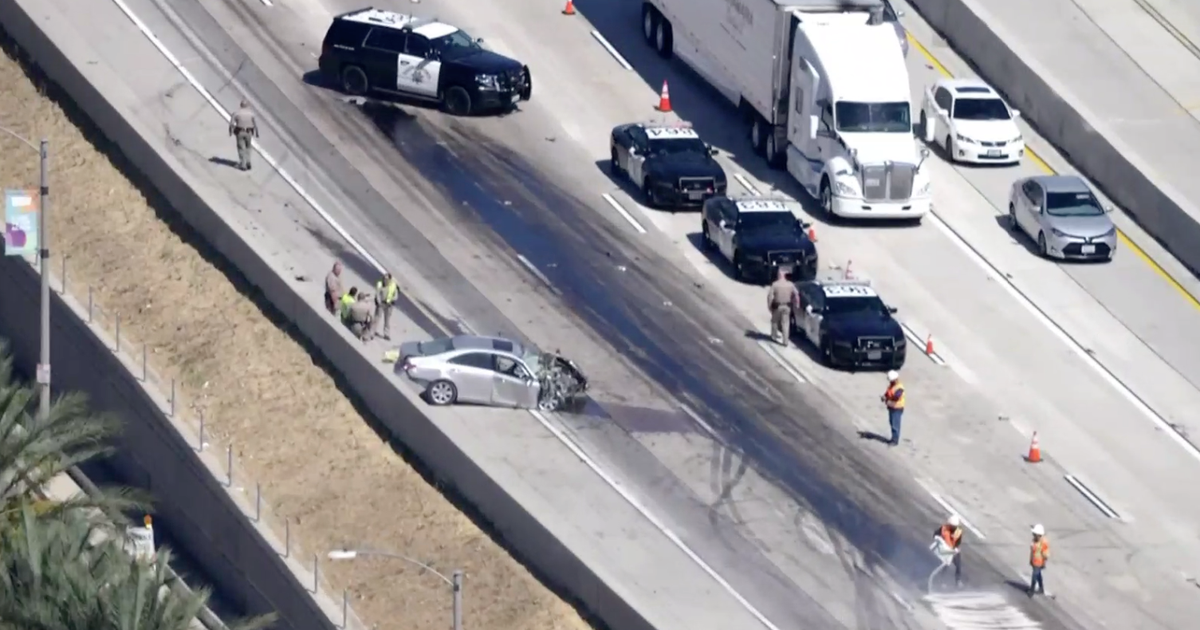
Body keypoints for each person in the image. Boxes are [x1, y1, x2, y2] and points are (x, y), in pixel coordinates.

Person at [766, 268, 798, 347]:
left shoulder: (775, 284)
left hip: (777, 306)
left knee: (774, 321)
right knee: (786, 323)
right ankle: (785, 341)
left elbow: (770, 296)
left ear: (779, 275)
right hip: (787, 306)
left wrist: (769, 306)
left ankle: (774, 336)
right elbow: (796, 295)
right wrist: (796, 303)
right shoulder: (790, 284)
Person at [934, 514, 965, 587]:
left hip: (953, 550)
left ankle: (958, 580)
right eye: (952, 526)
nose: (953, 528)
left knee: (958, 565)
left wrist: (956, 548)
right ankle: (942, 581)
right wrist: (937, 539)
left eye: (955, 526)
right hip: (945, 550)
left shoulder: (958, 531)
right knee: (945, 565)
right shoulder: (944, 528)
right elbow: (936, 534)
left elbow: (958, 541)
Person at [229, 100, 259, 171]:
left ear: (240, 105)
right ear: (247, 106)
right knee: (248, 146)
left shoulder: (236, 113)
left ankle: (243, 164)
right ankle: (248, 161)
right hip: (249, 132)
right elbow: (255, 124)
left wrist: (230, 131)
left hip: (240, 132)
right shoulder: (251, 114)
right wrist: (257, 133)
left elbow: (231, 124)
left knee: (241, 148)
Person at [881, 370, 905, 446]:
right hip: (891, 407)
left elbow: (896, 397)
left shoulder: (899, 388)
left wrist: (887, 399)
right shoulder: (892, 385)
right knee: (892, 422)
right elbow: (888, 392)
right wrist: (884, 396)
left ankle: (895, 440)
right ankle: (893, 438)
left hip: (897, 408)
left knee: (895, 424)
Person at [374, 272, 399, 340]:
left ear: (390, 280)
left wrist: (391, 300)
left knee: (387, 320)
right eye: (384, 279)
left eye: (386, 279)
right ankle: (373, 330)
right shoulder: (380, 284)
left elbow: (396, 296)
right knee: (377, 318)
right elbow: (377, 294)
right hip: (381, 304)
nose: (385, 280)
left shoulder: (393, 286)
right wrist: (379, 302)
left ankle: (386, 334)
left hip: (389, 305)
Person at [1028, 524, 1050, 597]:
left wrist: (1044, 563)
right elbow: (1032, 550)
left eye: (1035, 534)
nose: (1033, 535)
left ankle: (1032, 590)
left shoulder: (1043, 543)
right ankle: (1041, 588)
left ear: (1039, 535)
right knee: (1038, 575)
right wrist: (1030, 559)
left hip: (1039, 563)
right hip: (1034, 561)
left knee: (1034, 576)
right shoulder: (1034, 541)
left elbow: (1046, 555)